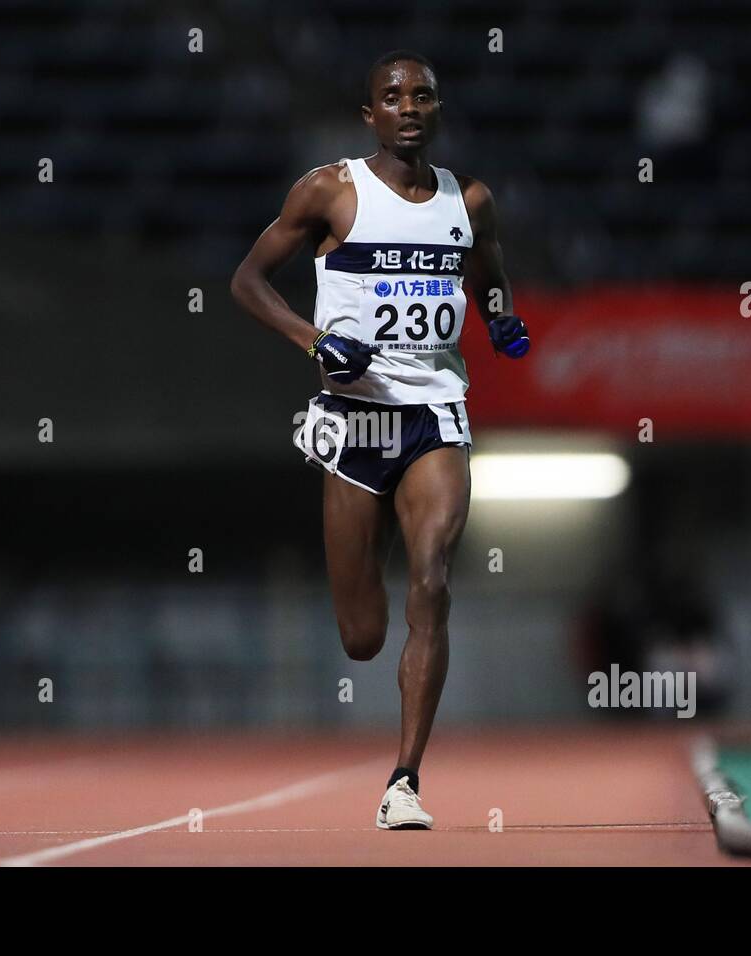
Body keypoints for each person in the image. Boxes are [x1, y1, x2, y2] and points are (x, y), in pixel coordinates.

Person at [230, 50, 530, 829]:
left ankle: (404, 782)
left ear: (438, 109)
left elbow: (487, 269)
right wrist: (312, 341)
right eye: (391, 96)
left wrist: (497, 316)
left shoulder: (470, 200)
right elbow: (247, 282)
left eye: (422, 95)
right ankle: (375, 564)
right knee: (362, 636)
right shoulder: (331, 190)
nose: (407, 107)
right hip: (356, 418)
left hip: (435, 413)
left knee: (431, 577)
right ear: (370, 114)